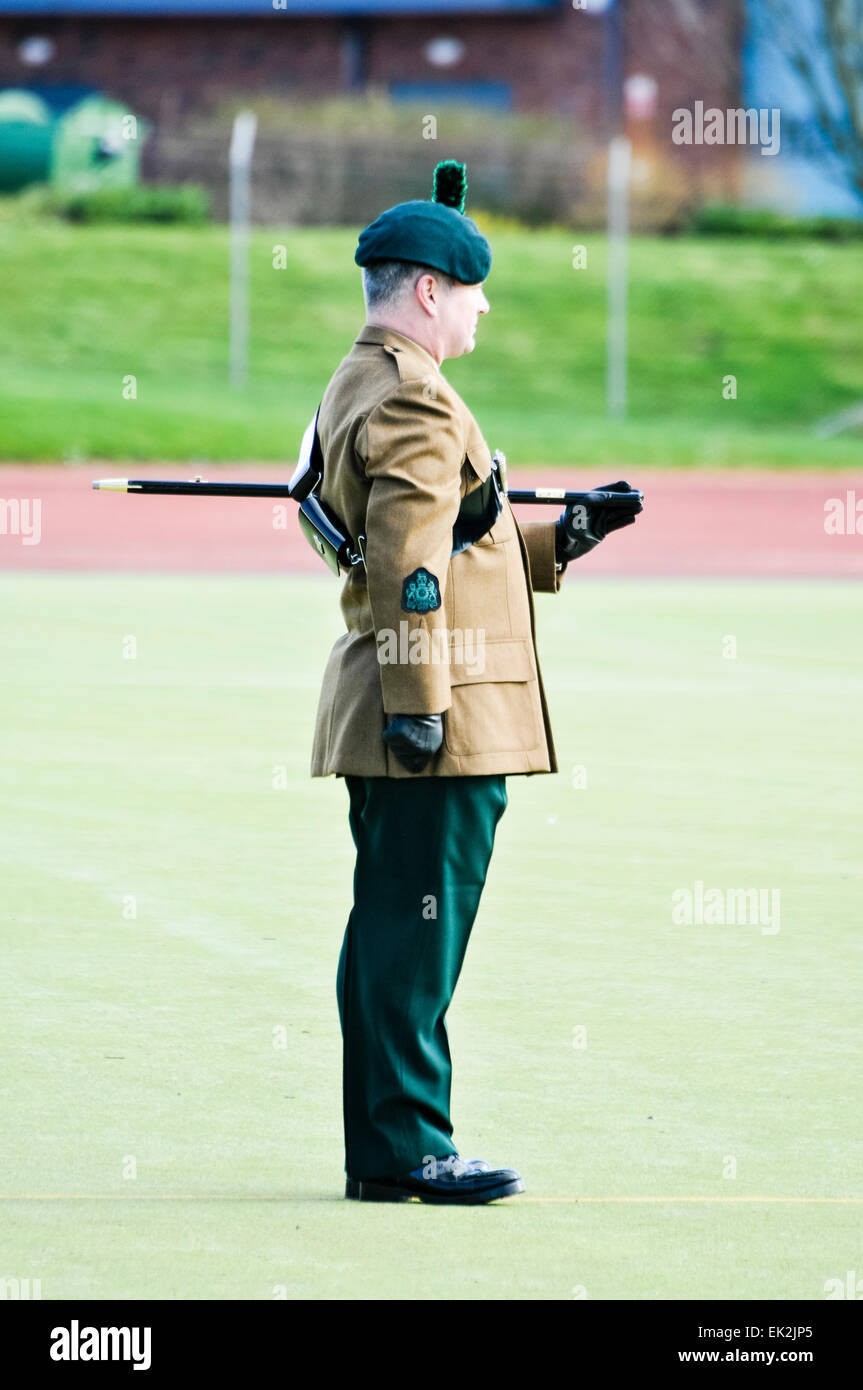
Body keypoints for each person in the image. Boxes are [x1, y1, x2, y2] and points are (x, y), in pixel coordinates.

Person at [309, 161, 642, 1204]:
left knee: (391, 930)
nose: (482, 305)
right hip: (439, 717)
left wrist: (560, 537)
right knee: (415, 936)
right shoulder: (414, 398)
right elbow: (410, 567)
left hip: (415, 705)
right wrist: (420, 713)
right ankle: (413, 1148)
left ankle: (389, 1148)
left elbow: (448, 546)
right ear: (427, 294)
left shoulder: (363, 378)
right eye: (471, 288)